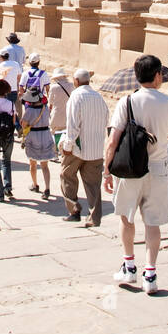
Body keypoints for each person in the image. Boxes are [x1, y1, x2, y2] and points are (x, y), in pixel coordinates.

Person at [104, 54, 168, 295]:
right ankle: (150, 274)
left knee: (126, 219)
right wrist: (165, 137)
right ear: (158, 76)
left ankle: (129, 265)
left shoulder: (126, 102)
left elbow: (113, 140)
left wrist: (107, 170)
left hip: (130, 168)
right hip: (158, 168)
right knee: (153, 223)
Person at [61, 68, 109, 226]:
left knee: (66, 175)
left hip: (77, 147)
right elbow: (106, 120)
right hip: (96, 148)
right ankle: (94, 218)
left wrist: (68, 144)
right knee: (93, 184)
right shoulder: (99, 97)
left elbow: (73, 124)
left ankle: (74, 209)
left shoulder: (76, 96)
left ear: (76, 81)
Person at [18, 54, 54, 198]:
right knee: (45, 165)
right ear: (39, 62)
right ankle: (47, 188)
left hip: (32, 128)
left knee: (32, 163)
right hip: (44, 131)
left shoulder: (26, 74)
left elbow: (21, 89)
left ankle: (35, 184)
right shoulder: (43, 74)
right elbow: (48, 89)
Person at [47, 67, 73, 159]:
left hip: (56, 113)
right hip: (68, 114)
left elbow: (50, 102)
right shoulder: (71, 85)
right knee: (66, 133)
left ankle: (54, 154)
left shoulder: (54, 87)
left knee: (53, 132)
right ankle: (64, 153)